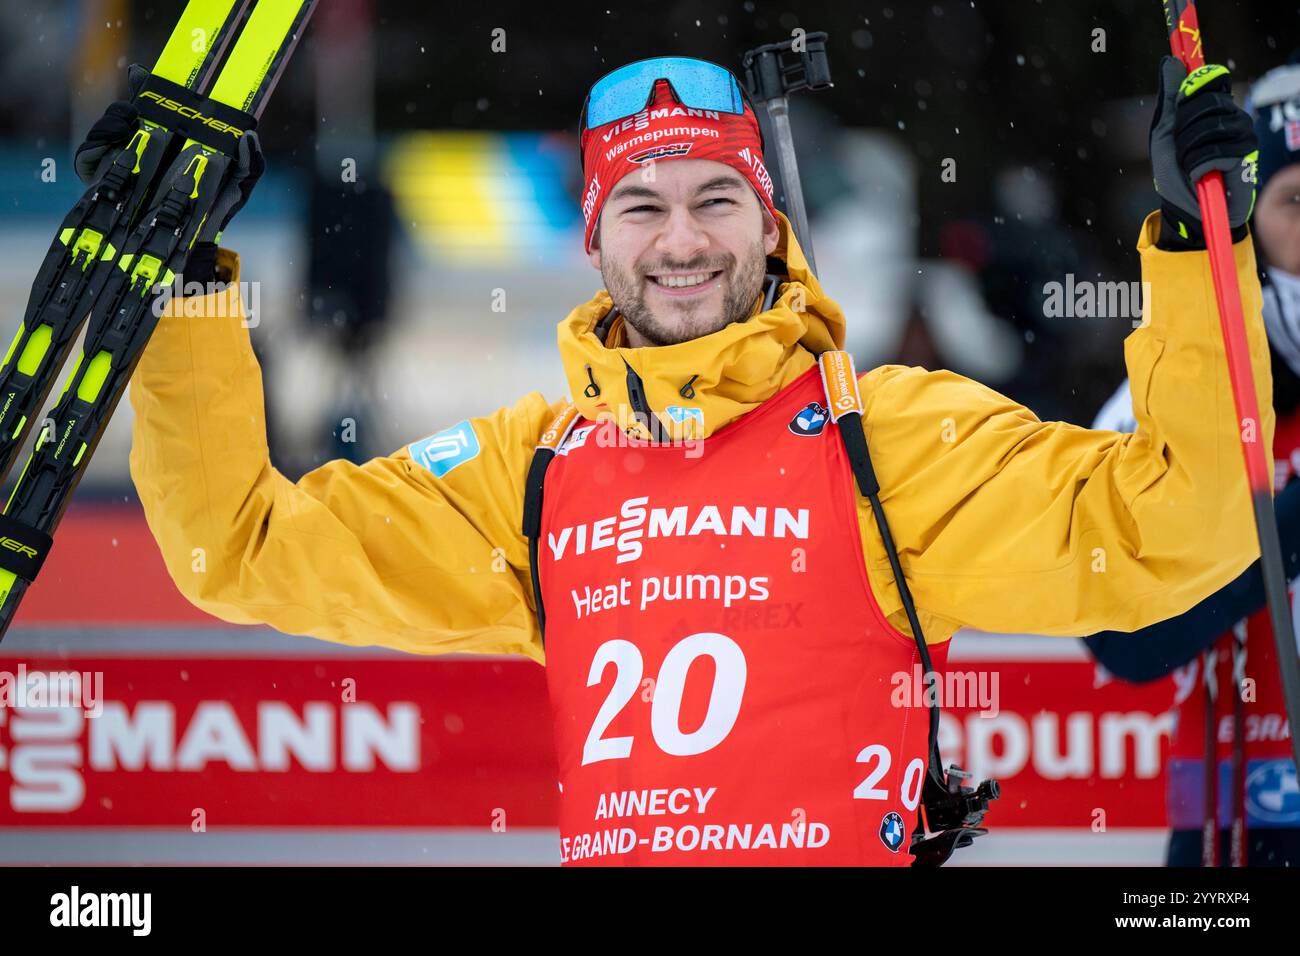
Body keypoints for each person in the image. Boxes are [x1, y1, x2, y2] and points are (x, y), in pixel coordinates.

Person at [116, 55, 1269, 866]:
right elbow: (242, 548)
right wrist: (182, 290)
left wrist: (1189, 243)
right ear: (593, 236)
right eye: (641, 204)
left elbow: (1180, 527)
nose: (680, 240)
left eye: (717, 197)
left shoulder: (890, 439)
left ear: (770, 224)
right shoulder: (533, 465)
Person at [1085, 57, 1300, 867]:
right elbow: (1123, 638)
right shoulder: (1179, 394)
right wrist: (1286, 526)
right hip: (1238, 840)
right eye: (1296, 202)